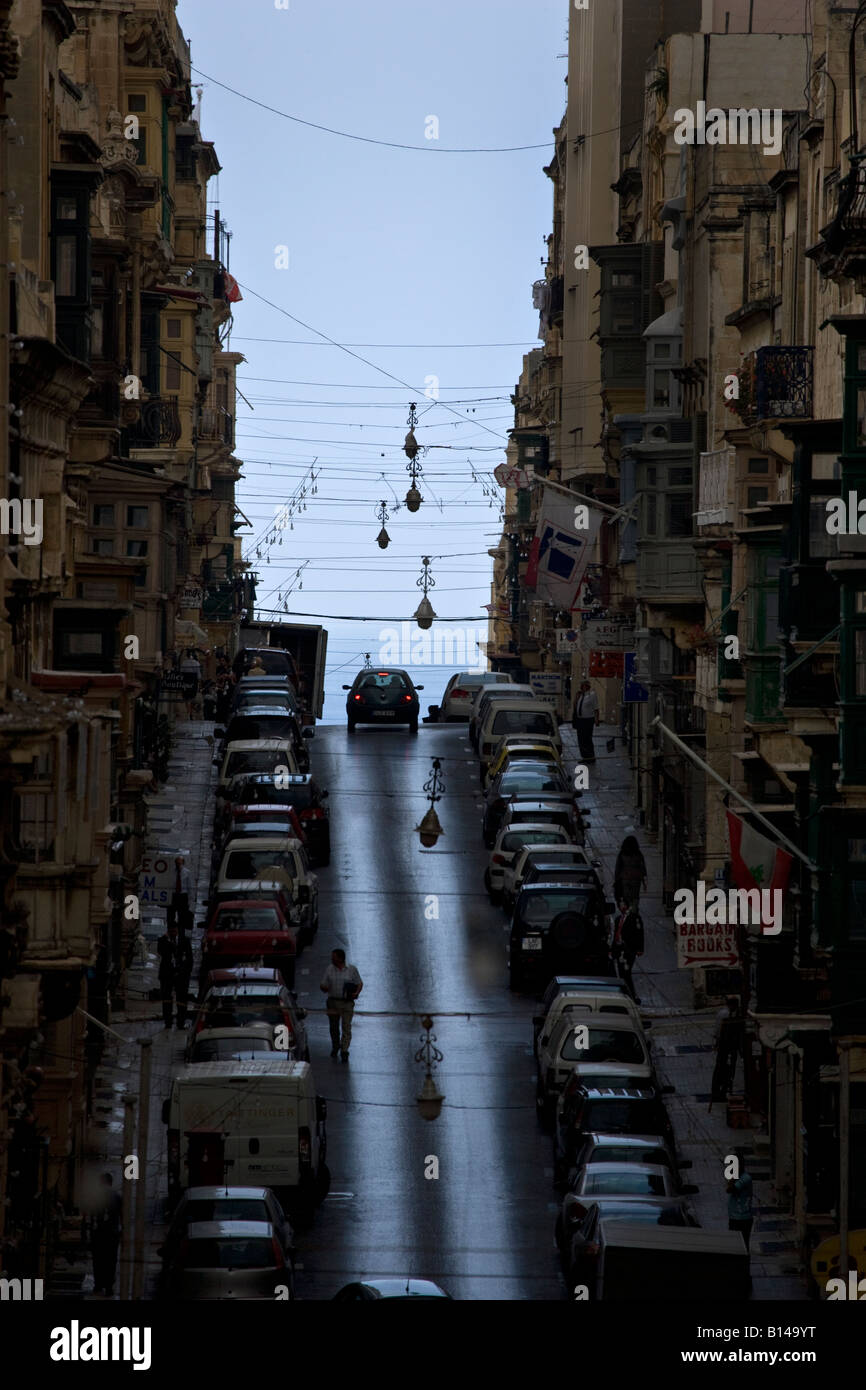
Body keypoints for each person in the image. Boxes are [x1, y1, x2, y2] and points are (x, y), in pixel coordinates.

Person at [320, 948, 363, 1061]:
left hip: (347, 1003)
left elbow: (359, 983)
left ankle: (344, 1049)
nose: (331, 959)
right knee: (333, 1027)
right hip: (333, 1002)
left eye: (334, 957)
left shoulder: (351, 970)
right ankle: (335, 1046)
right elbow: (323, 984)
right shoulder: (329, 969)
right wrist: (324, 987)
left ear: (340, 958)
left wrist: (356, 993)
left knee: (346, 1027)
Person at [91, 1172, 122, 1297]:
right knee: (111, 1260)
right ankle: (109, 1286)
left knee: (98, 1259)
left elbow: (91, 1215)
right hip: (112, 1233)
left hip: (99, 1233)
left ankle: (98, 1285)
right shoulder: (117, 1196)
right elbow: (122, 1215)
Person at [157, 922, 193, 1029]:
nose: (173, 933)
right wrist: (169, 941)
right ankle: (168, 1021)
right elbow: (163, 953)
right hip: (167, 974)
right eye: (171, 932)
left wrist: (185, 972)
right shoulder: (163, 941)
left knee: (181, 999)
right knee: (167, 999)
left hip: (181, 975)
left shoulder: (184, 941)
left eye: (175, 931)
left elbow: (189, 958)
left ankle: (181, 1022)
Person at [612, 899, 644, 1003]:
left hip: (629, 950)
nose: (621, 907)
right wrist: (612, 950)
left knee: (626, 972)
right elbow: (615, 935)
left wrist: (640, 948)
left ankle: (632, 995)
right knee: (622, 973)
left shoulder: (634, 918)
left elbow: (639, 933)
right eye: (620, 905)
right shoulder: (618, 919)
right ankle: (625, 994)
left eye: (622, 905)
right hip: (619, 949)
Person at [712, 995, 743, 1100]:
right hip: (725, 1045)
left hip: (731, 1045)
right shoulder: (724, 1014)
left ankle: (725, 1088)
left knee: (728, 1068)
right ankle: (719, 1089)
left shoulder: (736, 1014)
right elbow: (718, 1031)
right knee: (722, 1067)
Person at [726, 1149, 755, 1252]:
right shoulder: (738, 1177)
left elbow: (730, 1189)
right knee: (734, 1246)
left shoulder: (745, 1178)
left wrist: (732, 1176)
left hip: (742, 1219)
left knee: (742, 1246)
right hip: (734, 1217)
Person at [613, 833, 648, 907]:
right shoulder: (638, 854)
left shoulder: (622, 853)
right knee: (635, 896)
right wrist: (644, 882)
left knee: (626, 896)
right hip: (636, 879)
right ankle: (634, 909)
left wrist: (616, 880)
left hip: (625, 879)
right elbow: (642, 868)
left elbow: (618, 868)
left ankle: (628, 909)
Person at [571, 680, 600, 762]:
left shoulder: (592, 695)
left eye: (583, 686)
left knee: (587, 739)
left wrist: (597, 719)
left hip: (588, 720)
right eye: (581, 686)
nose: (582, 687)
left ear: (587, 686)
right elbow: (575, 706)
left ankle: (590, 757)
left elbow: (596, 708)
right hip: (580, 720)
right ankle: (584, 756)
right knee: (580, 739)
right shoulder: (580, 695)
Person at [167, 855, 192, 938]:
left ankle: (181, 935)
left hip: (182, 896)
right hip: (173, 896)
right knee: (170, 917)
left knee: (182, 918)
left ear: (183, 863)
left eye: (180, 863)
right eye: (177, 863)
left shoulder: (187, 872)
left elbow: (190, 887)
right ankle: (171, 934)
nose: (178, 865)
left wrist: (189, 901)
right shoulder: (171, 872)